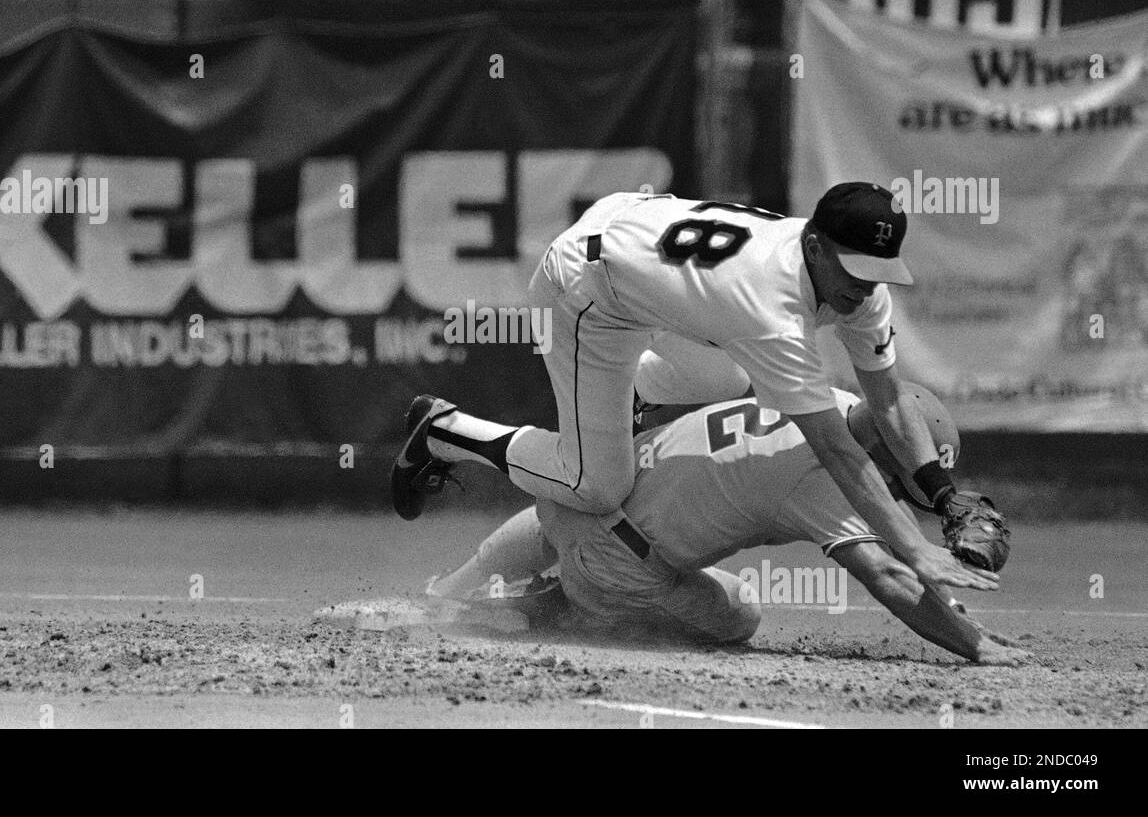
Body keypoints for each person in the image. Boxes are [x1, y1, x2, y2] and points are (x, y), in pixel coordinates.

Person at [394, 184, 993, 591]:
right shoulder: (769, 309)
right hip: (587, 287)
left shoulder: (853, 283)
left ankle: (617, 402)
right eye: (857, 271)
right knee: (598, 484)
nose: (867, 289)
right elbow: (839, 449)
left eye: (880, 272)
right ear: (814, 246)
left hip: (648, 256)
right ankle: (444, 430)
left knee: (731, 378)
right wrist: (912, 548)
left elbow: (887, 399)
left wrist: (944, 496)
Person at [427, 384, 1027, 665]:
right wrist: (971, 643)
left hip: (580, 497)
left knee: (587, 508)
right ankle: (545, 609)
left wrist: (945, 599)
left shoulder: (826, 400)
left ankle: (449, 591)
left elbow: (896, 552)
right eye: (907, 469)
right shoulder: (826, 474)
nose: (911, 484)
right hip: (612, 564)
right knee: (738, 612)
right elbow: (891, 579)